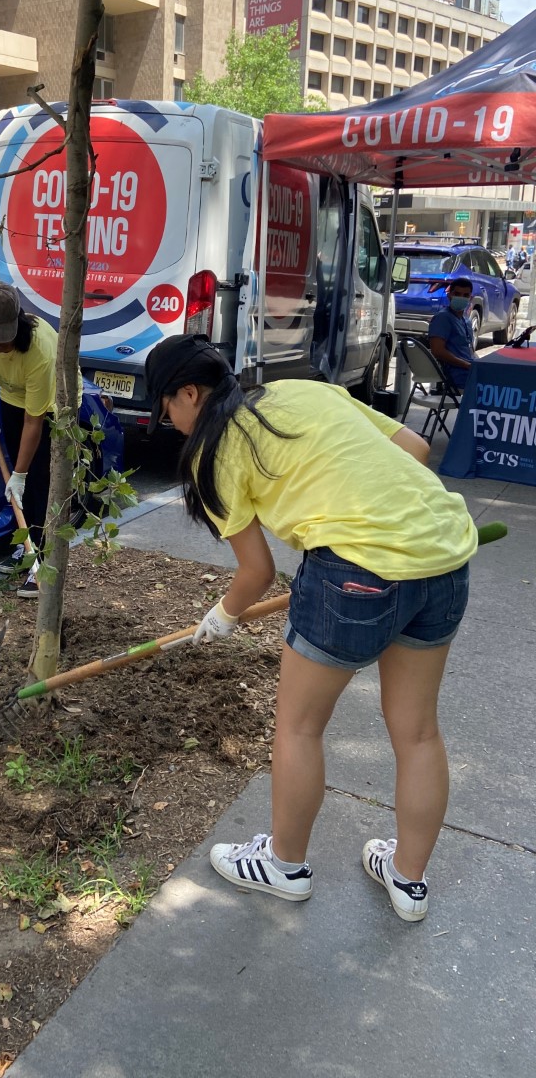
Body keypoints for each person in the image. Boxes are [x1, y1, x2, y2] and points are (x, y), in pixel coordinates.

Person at [145, 334, 476, 922]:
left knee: (298, 728)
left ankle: (286, 865)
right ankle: (408, 879)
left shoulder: (214, 456)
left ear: (190, 393)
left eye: (166, 407)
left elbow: (256, 573)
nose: (168, 422)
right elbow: (417, 449)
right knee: (418, 732)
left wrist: (222, 617)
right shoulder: (299, 391)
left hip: (354, 572)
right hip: (443, 553)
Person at [0, 282, 79, 600]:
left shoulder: (39, 350)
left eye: (4, 339)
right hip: (12, 399)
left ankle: (41, 561)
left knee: (39, 482)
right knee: (24, 479)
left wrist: (19, 473)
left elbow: (36, 420)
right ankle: (25, 549)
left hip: (52, 405)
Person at [428, 277, 477, 390]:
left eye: (465, 295)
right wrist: (466, 365)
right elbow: (438, 351)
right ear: (449, 295)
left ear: (470, 298)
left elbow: (469, 350)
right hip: (457, 375)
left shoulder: (466, 321)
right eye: (457, 294)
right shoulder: (443, 318)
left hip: (470, 371)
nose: (461, 297)